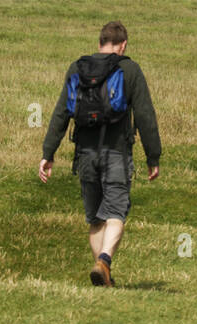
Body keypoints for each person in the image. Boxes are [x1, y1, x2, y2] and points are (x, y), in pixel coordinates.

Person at [38, 21, 161, 287]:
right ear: (123, 44)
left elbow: (61, 112)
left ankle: (103, 276)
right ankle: (104, 261)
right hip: (116, 153)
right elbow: (145, 115)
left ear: (99, 43)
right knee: (116, 212)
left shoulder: (78, 68)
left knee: (95, 219)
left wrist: (48, 152)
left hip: (85, 154)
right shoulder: (129, 69)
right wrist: (153, 156)